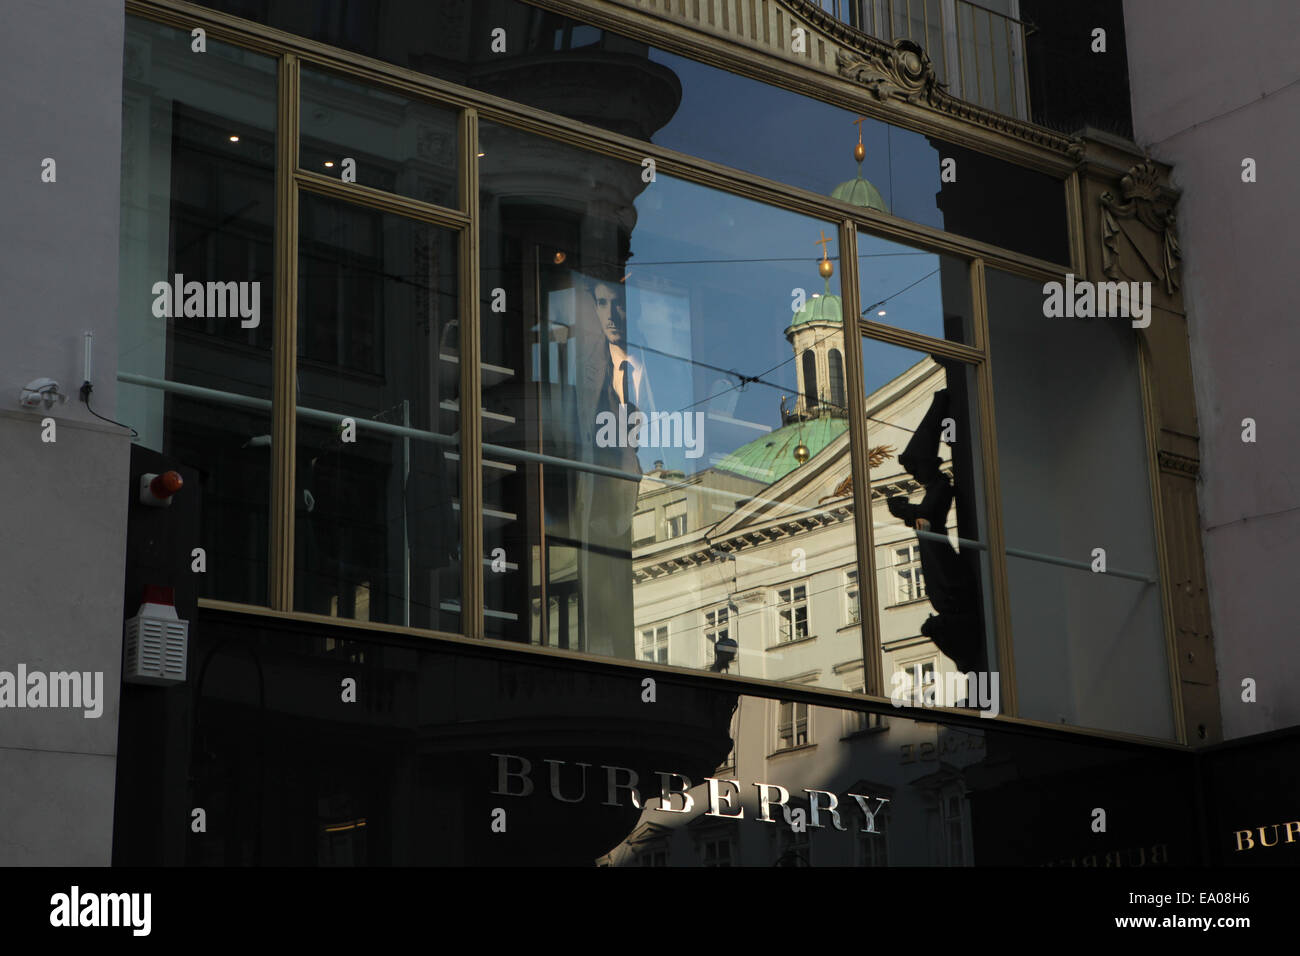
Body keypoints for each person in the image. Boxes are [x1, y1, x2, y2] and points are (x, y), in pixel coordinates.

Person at [886, 387, 982, 675]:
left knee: (948, 587)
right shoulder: (933, 487)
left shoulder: (939, 486)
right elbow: (925, 516)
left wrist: (907, 512)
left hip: (936, 547)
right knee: (944, 589)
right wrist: (910, 513)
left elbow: (930, 515)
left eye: (916, 470)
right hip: (932, 546)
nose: (915, 475)